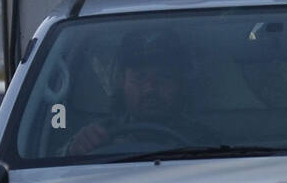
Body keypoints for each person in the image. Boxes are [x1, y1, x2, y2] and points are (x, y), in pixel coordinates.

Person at [67, 30, 205, 155]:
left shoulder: (206, 141)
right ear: (122, 82)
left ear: (179, 83)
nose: (151, 88)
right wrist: (75, 148)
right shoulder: (99, 136)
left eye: (163, 77)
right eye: (140, 78)